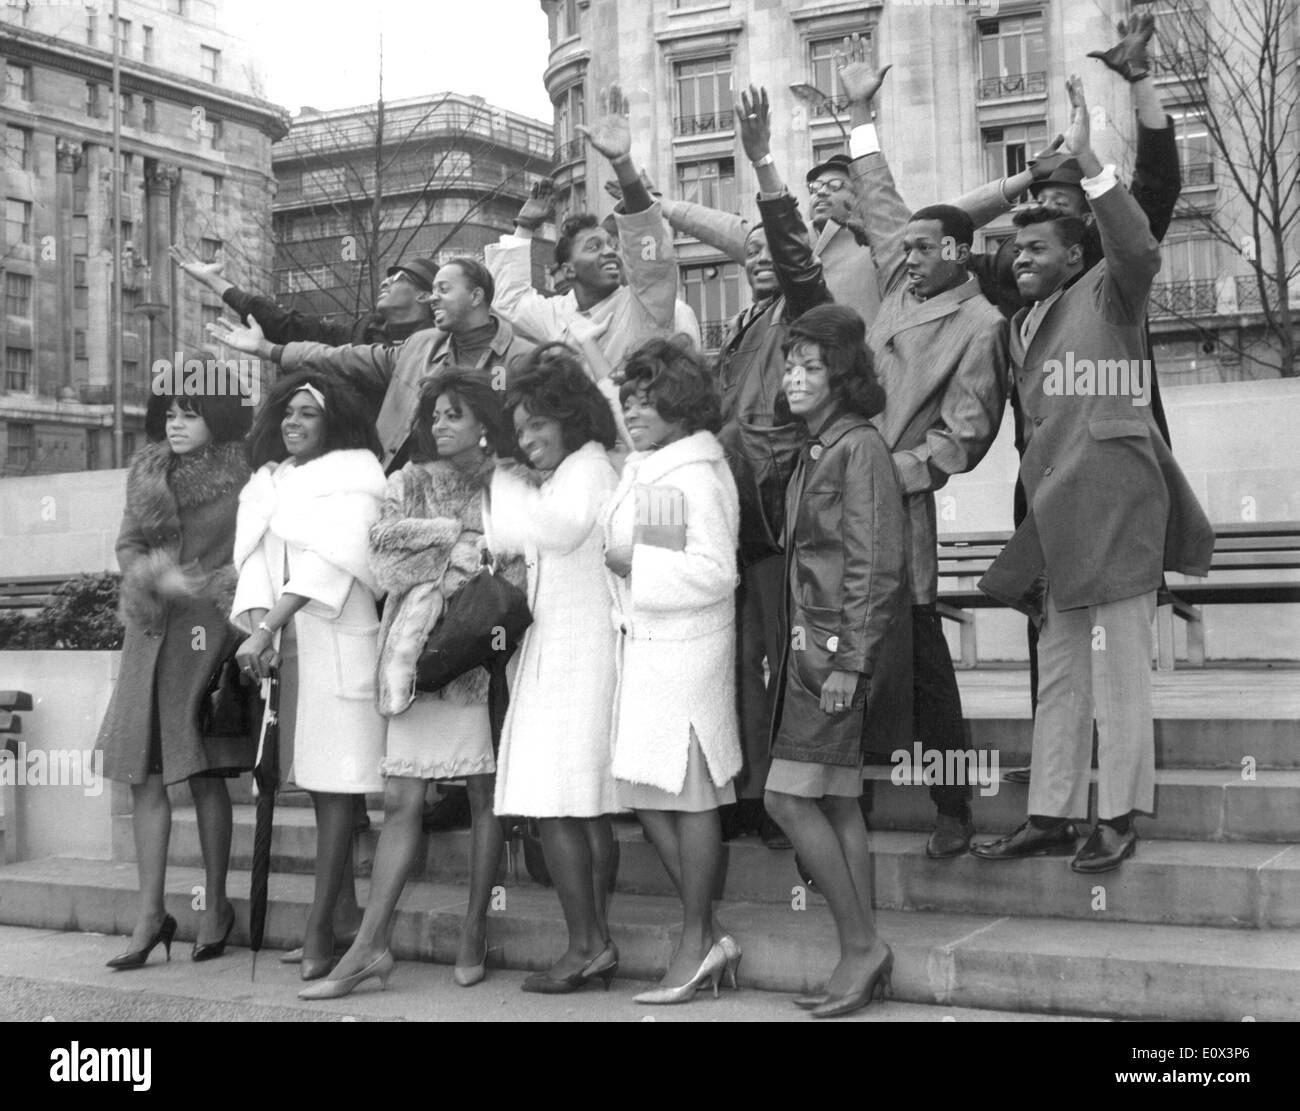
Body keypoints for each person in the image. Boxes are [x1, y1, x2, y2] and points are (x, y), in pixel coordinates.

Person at [971, 77, 1213, 873]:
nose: (1020, 257)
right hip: (1054, 522)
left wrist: (1093, 164)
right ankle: (1052, 810)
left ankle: (1117, 814)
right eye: (1017, 247)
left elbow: (1139, 243)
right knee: (1063, 674)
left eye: (1037, 248)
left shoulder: (1111, 292)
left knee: (1119, 679)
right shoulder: (1020, 322)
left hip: (1115, 509)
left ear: (1076, 255)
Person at [300, 371, 525, 1000]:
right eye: (435, 414)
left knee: (485, 795)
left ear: (484, 422)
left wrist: (456, 553)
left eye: (455, 413)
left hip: (484, 659)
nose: (441, 424)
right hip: (414, 661)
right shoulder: (407, 480)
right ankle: (371, 945)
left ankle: (475, 927)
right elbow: (382, 556)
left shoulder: (508, 484)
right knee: (401, 802)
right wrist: (461, 543)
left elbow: (516, 568)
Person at [835, 49, 1008, 858]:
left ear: (958, 253)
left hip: (899, 511)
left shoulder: (980, 326)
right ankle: (844, 806)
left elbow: (964, 437)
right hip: (842, 499)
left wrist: (891, 471)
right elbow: (877, 203)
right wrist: (859, 115)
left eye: (923, 246)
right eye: (905, 246)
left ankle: (954, 806)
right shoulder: (904, 284)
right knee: (840, 652)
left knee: (923, 662)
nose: (906, 254)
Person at [763, 304, 909, 1020]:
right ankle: (864, 946)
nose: (794, 376)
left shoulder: (859, 448)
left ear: (843, 377)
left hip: (831, 656)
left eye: (810, 367)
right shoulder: (818, 446)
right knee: (839, 800)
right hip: (814, 650)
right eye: (790, 364)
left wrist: (850, 659)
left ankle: (859, 948)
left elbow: (877, 564)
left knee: (786, 797)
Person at [230, 371, 388, 981]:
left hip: (337, 644)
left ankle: (322, 928)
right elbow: (256, 563)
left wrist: (269, 627)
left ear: (334, 423)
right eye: (287, 414)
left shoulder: (356, 479)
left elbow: (329, 567)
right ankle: (343, 919)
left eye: (308, 414)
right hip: (289, 652)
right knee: (322, 792)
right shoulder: (272, 486)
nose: (293, 423)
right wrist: (257, 629)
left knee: (336, 795)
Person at [605, 337, 744, 1005]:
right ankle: (708, 933)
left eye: (647, 400)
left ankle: (695, 940)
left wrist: (636, 567)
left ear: (679, 404)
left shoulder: (692, 473)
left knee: (688, 799)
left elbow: (716, 572)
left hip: (688, 654)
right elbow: (661, 560)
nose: (632, 412)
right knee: (649, 791)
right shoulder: (660, 469)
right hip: (656, 647)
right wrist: (639, 568)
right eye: (627, 400)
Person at [97, 388, 253, 970]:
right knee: (144, 776)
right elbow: (129, 545)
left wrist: (218, 584)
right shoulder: (145, 474)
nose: (178, 424)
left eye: (192, 414)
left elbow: (254, 549)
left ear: (216, 420)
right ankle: (150, 915)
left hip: (207, 634)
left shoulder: (242, 475)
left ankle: (216, 908)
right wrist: (155, 577)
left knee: (206, 772)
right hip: (151, 632)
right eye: (171, 414)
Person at [487, 344, 623, 994]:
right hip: (569, 650)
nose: (528, 438)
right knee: (581, 809)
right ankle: (594, 939)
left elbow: (551, 527)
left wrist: (501, 481)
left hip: (575, 656)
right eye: (520, 429)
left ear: (569, 415)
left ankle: (586, 944)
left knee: (563, 807)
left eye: (537, 423)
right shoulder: (582, 466)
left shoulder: (587, 470)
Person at [207, 257, 532, 475]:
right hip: (406, 484)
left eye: (443, 290)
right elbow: (339, 356)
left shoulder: (523, 359)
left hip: (487, 493)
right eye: (432, 291)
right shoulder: (421, 346)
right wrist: (269, 348)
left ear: (476, 296)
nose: (434, 298)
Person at [486, 85, 685, 391]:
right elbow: (508, 299)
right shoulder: (557, 313)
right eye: (594, 246)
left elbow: (652, 258)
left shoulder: (641, 303)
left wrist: (623, 166)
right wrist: (525, 227)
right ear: (568, 270)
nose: (610, 252)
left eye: (612, 245)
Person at [171, 245, 436, 347]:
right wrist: (214, 281)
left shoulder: (442, 345)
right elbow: (287, 324)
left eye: (399, 278)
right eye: (388, 276)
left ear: (425, 296)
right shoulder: (360, 334)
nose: (386, 281)